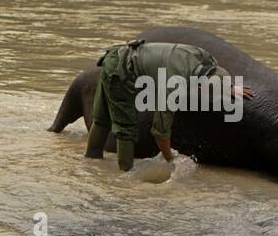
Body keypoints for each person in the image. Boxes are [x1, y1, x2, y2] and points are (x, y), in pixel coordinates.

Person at [86, 38, 253, 170]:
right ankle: (125, 174)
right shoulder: (174, 84)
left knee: (102, 118)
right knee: (126, 128)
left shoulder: (203, 56)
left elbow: (216, 72)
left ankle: (91, 162)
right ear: (200, 86)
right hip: (120, 71)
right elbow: (159, 131)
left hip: (118, 54)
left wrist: (227, 87)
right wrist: (170, 159)